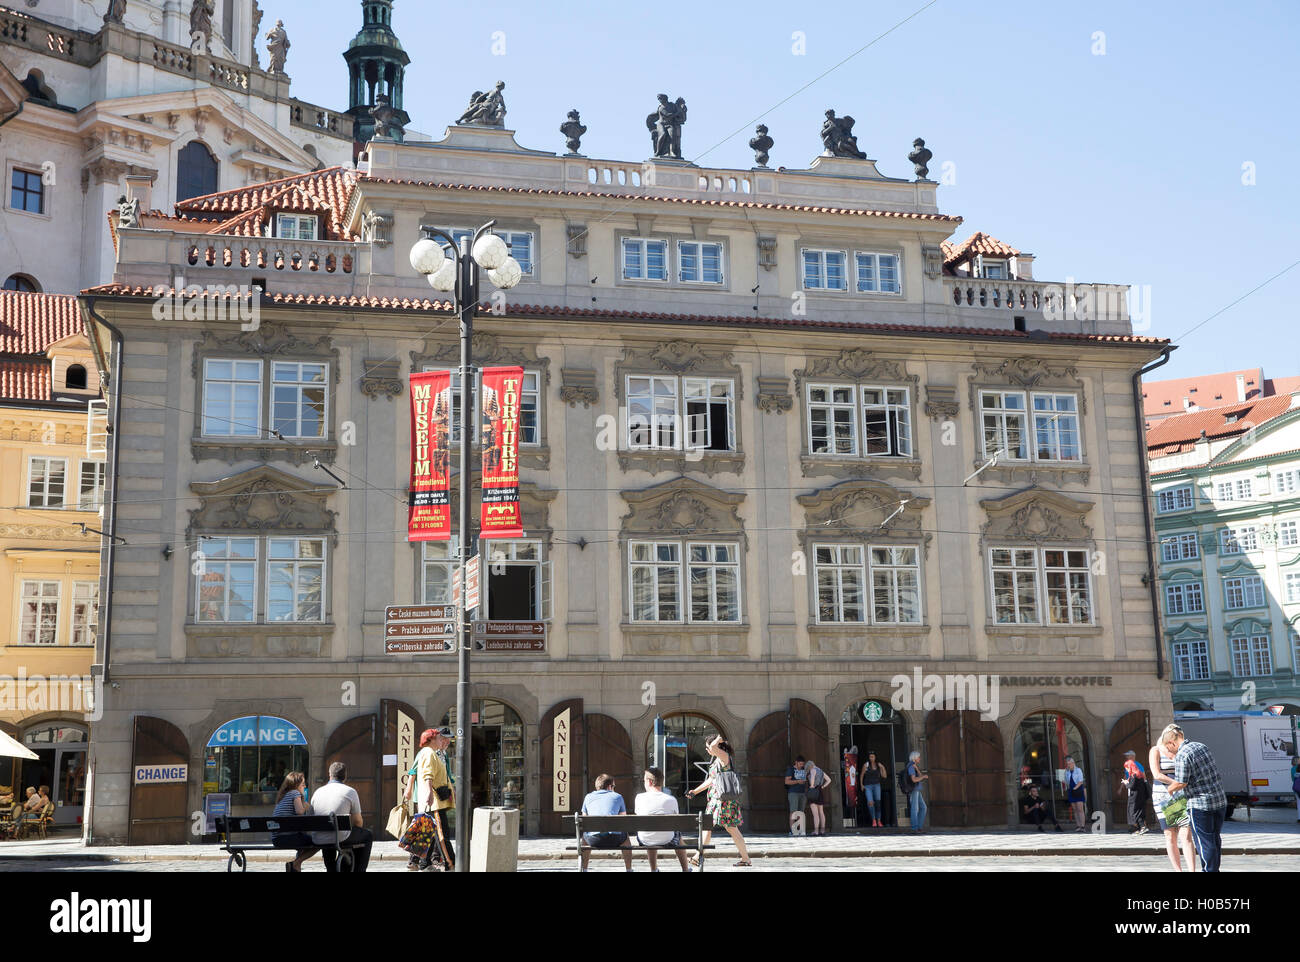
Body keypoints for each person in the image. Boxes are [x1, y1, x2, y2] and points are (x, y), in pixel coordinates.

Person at [1163, 723, 1227, 873]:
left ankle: (1209, 870)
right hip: (1219, 800)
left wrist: (1169, 790)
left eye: (1168, 747)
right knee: (1215, 839)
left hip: (1199, 804)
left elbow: (1181, 782)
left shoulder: (1182, 754)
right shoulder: (1201, 746)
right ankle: (1214, 869)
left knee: (1204, 842)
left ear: (1172, 742)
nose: (1168, 751)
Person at [688, 735, 751, 868]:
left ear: (717, 745)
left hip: (724, 801)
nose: (707, 749)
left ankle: (745, 858)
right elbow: (711, 780)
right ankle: (698, 856)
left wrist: (719, 738)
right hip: (716, 801)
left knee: (732, 829)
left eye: (707, 747)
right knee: (709, 827)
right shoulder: (717, 760)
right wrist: (695, 791)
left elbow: (712, 746)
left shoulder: (724, 756)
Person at [400, 727, 457, 871]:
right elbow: (421, 773)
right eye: (443, 738)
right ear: (435, 739)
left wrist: (451, 788)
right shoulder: (428, 753)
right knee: (438, 833)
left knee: (428, 831)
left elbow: (446, 774)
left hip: (436, 798)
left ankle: (423, 864)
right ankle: (449, 864)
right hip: (432, 799)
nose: (447, 741)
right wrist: (410, 789)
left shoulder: (441, 754)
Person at [309, 762, 372, 872]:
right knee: (367, 836)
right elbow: (358, 822)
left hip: (319, 838)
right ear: (345, 775)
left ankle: (331, 868)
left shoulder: (317, 792)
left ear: (330, 775)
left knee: (327, 833)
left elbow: (311, 817)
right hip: (341, 837)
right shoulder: (350, 791)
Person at [1148, 738, 1196, 872]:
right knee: (1170, 834)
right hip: (1164, 797)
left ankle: (1192, 870)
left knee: (1186, 833)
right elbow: (1157, 774)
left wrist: (1181, 784)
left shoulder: (1181, 752)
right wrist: (1176, 782)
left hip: (1181, 796)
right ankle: (1178, 870)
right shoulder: (1156, 750)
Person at [634, 767, 688, 873]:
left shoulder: (639, 798)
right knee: (678, 834)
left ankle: (653, 869)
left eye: (644, 780)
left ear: (649, 782)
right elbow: (676, 822)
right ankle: (685, 869)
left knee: (648, 828)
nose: (644, 783)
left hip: (644, 839)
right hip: (667, 839)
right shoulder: (671, 799)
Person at [579, 773, 632, 872]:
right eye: (614, 786)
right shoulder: (618, 797)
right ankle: (629, 869)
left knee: (585, 837)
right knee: (626, 837)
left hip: (594, 840)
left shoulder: (588, 797)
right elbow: (623, 820)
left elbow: (585, 820)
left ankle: (584, 869)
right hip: (614, 839)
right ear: (609, 786)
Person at [270, 771, 318, 872]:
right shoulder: (295, 793)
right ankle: (296, 863)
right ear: (296, 785)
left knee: (303, 840)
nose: (305, 786)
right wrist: (306, 805)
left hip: (276, 839)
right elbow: (299, 811)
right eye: (303, 784)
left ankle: (296, 866)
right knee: (318, 842)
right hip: (287, 837)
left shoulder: (282, 797)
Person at [1120, 749, 1151, 835]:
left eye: (1127, 767)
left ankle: (1139, 827)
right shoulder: (1137, 774)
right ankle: (1139, 827)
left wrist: (1126, 783)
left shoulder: (1135, 774)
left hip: (1135, 795)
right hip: (1140, 795)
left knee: (1134, 811)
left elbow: (1132, 786)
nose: (1126, 757)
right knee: (1139, 811)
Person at [805, 758, 833, 836]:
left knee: (815, 814)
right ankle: (822, 830)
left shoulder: (812, 770)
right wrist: (823, 786)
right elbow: (829, 780)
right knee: (821, 812)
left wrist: (811, 785)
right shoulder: (821, 771)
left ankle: (816, 831)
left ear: (809, 766)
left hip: (813, 791)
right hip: (819, 791)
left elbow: (813, 778)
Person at [860, 751, 887, 827]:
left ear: (875, 757)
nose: (871, 758)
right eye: (870, 757)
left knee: (878, 803)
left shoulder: (878, 765)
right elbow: (861, 775)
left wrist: (883, 767)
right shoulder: (866, 765)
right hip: (868, 786)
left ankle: (879, 820)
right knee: (870, 802)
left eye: (873, 757)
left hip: (877, 785)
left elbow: (884, 776)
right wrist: (861, 785)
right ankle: (873, 820)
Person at [784, 755, 808, 835]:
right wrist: (797, 781)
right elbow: (787, 782)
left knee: (801, 812)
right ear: (796, 762)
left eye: (802, 764)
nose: (801, 766)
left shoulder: (804, 769)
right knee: (793, 812)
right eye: (800, 764)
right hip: (793, 793)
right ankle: (792, 830)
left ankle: (801, 830)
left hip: (803, 793)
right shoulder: (791, 770)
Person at [1061, 756, 1086, 831]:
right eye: (1067, 764)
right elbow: (1066, 781)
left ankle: (1082, 826)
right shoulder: (1067, 771)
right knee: (1075, 809)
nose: (1069, 765)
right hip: (1071, 791)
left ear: (1073, 763)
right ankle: (1078, 826)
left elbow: (1081, 781)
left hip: (1078, 790)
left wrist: (1075, 788)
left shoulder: (1078, 770)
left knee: (1080, 809)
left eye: (1070, 763)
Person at [906, 751, 928, 831]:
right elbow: (914, 779)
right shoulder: (911, 767)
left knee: (923, 807)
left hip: (917, 790)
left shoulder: (914, 766)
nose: (920, 758)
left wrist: (917, 769)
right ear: (914, 758)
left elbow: (920, 776)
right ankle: (915, 828)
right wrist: (923, 777)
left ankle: (919, 827)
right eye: (918, 757)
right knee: (915, 809)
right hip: (914, 790)